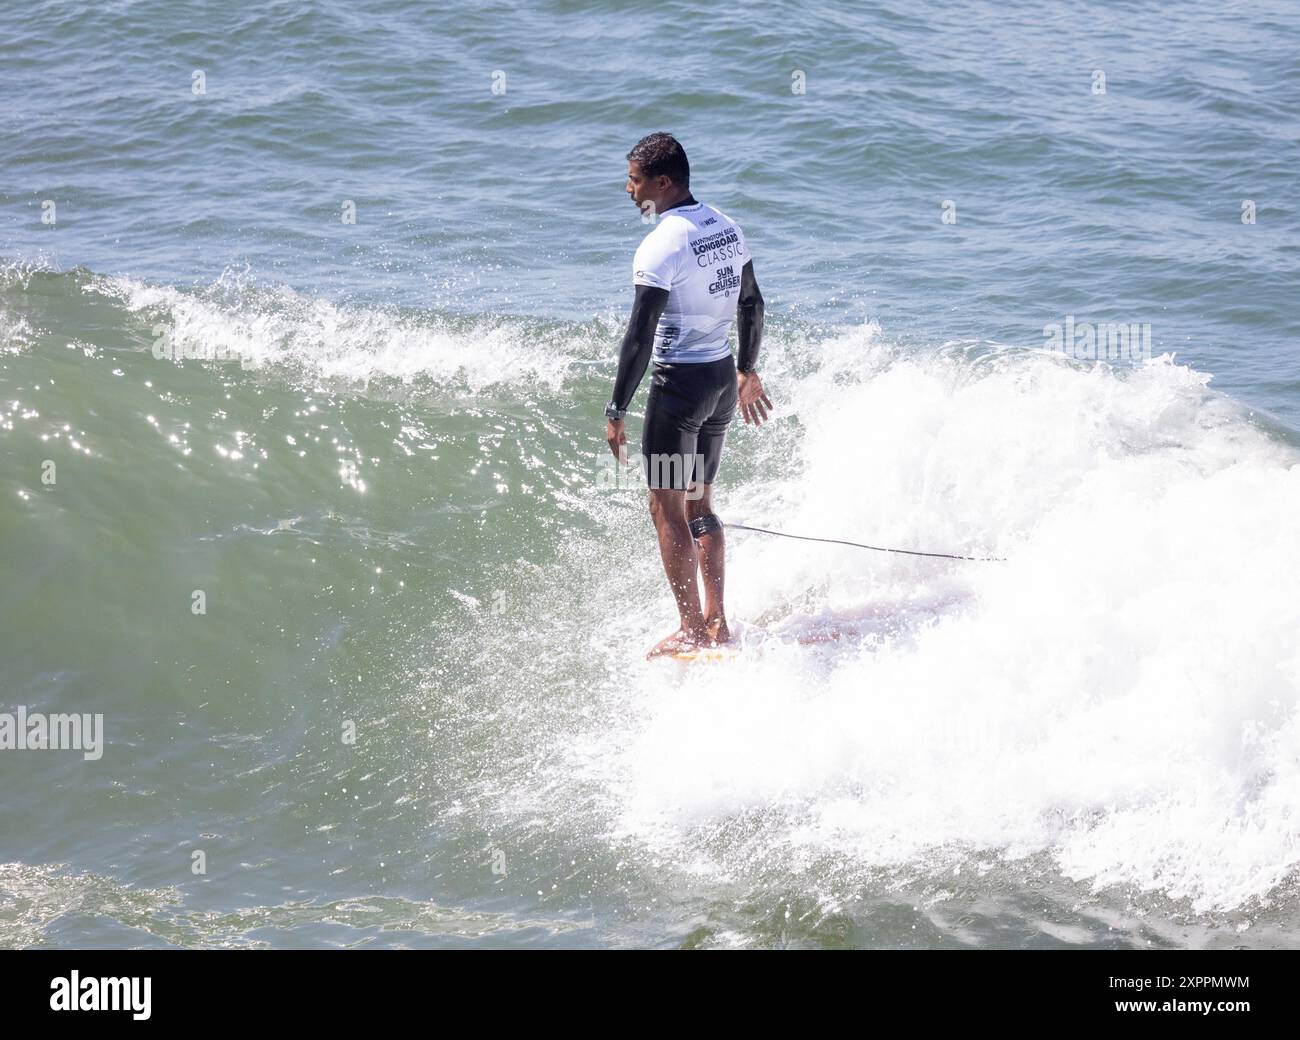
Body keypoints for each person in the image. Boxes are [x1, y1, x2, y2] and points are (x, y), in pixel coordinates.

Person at [604, 132, 773, 659]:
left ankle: (690, 630)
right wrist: (747, 370)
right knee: (701, 505)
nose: (628, 189)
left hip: (678, 391)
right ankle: (716, 619)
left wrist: (616, 409)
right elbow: (753, 304)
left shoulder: (661, 244)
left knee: (666, 508)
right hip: (720, 383)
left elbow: (640, 332)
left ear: (662, 181)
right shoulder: (726, 227)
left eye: (634, 180)